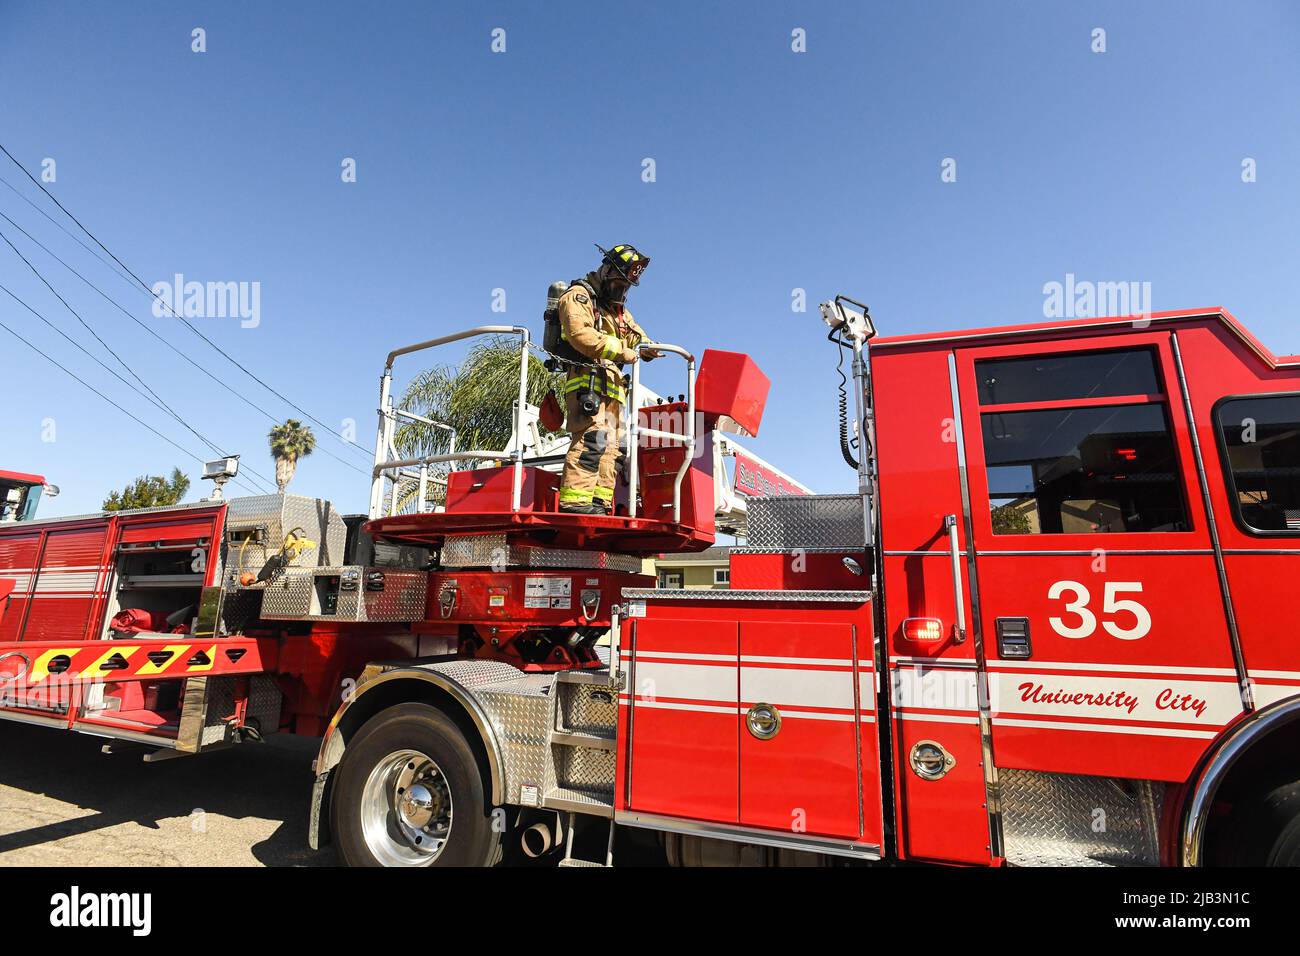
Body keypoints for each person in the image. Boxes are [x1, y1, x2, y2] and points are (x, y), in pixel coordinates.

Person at [554, 243, 659, 514]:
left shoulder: (617, 311)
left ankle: (599, 503)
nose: (622, 291)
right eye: (619, 283)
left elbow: (636, 335)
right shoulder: (578, 296)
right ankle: (575, 503)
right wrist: (623, 351)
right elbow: (581, 335)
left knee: (614, 449)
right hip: (587, 384)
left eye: (626, 286)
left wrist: (648, 347)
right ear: (607, 270)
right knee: (592, 440)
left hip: (613, 391)